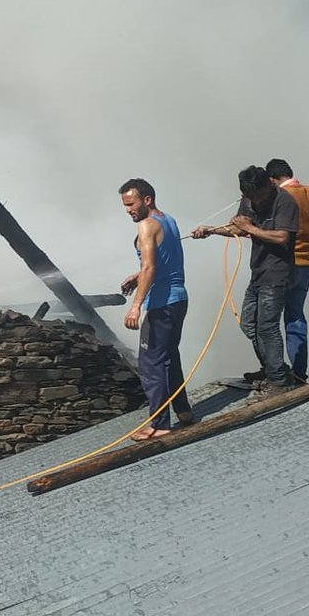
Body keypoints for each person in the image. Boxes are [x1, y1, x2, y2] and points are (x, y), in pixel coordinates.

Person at [193, 166, 299, 400]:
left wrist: (250, 228)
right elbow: (238, 227)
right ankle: (273, 370)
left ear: (268, 185)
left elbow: (282, 237)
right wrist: (211, 231)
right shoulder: (250, 199)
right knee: (249, 324)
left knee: (267, 327)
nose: (253, 202)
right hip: (258, 271)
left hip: (277, 273)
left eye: (257, 197)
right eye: (249, 198)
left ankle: (279, 382)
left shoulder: (285, 202)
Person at [118, 179, 194, 440]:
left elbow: (151, 268)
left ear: (146, 200)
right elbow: (163, 261)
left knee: (151, 363)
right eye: (125, 205)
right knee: (169, 358)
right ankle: (183, 411)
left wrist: (135, 306)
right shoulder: (168, 219)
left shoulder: (146, 225)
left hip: (162, 304)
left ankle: (160, 424)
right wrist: (136, 275)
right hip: (178, 299)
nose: (128, 210)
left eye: (131, 204)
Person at [266, 158, 309, 383]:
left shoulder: (280, 197)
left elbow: (266, 228)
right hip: (306, 263)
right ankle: (299, 370)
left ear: (271, 180)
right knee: (295, 316)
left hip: (285, 265)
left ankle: (275, 370)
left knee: (268, 320)